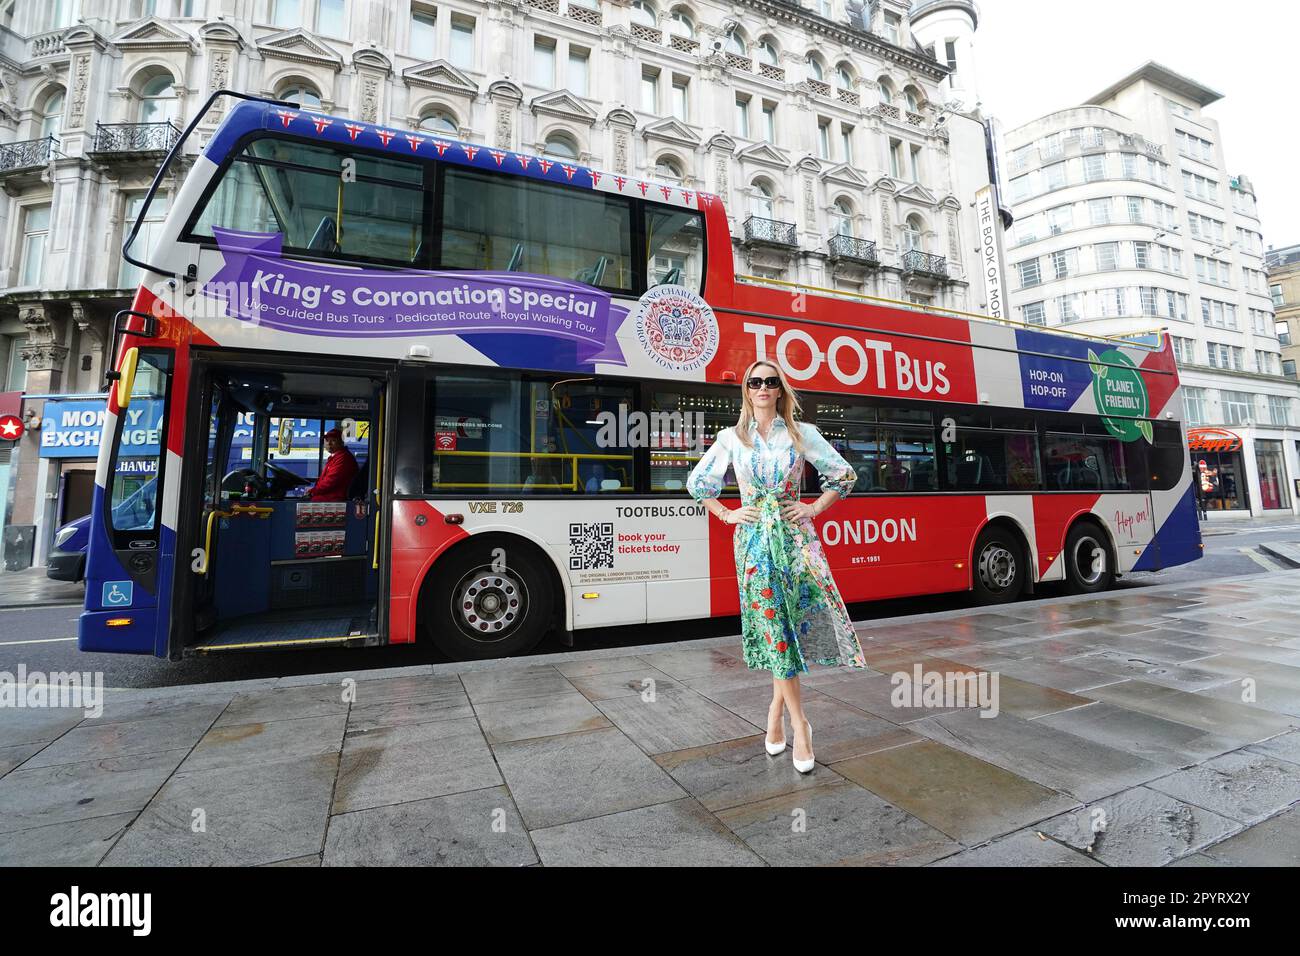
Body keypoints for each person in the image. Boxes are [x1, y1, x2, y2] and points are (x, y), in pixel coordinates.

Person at [686, 359, 866, 774]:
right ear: (747, 391)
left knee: (787, 626)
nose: (763, 388)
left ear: (780, 390)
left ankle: (774, 710)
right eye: (756, 382)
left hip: (794, 541)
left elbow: (844, 475)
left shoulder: (802, 435)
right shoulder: (732, 438)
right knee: (773, 625)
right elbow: (699, 484)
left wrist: (813, 507)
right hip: (752, 544)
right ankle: (800, 724)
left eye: (771, 382)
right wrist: (728, 515)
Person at [302, 427, 358, 502]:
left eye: (333, 440)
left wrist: (312, 492)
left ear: (341, 442)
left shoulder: (344, 458)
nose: (329, 443)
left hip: (335, 498)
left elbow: (330, 481)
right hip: (330, 496)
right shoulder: (335, 457)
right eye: (327, 440)